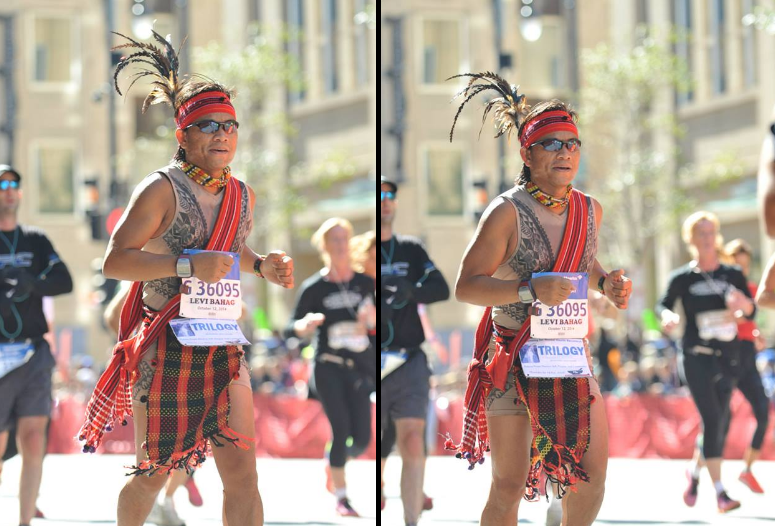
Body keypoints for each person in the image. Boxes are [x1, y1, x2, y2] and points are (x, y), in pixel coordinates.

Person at [77, 32, 294, 526]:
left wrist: (263, 265)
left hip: (223, 344)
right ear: (183, 135)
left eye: (230, 125)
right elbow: (115, 261)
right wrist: (185, 266)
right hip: (164, 343)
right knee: (153, 473)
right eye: (208, 126)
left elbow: (230, 249)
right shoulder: (160, 188)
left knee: (243, 476)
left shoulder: (242, 194)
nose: (222, 134)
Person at [446, 72, 632, 526]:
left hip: (569, 357)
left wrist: (607, 283)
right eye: (551, 144)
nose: (565, 152)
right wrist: (529, 290)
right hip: (514, 357)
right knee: (508, 486)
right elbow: (466, 286)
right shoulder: (505, 212)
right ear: (527, 154)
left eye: (572, 143)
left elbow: (583, 261)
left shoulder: (589, 209)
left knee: (590, 478)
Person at [657, 211, 754, 513]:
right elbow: (662, 305)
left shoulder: (732, 274)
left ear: (717, 236)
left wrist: (743, 306)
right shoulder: (682, 278)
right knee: (712, 419)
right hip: (696, 357)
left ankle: (695, 471)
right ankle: (721, 493)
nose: (707, 238)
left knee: (721, 421)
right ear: (691, 239)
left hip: (727, 357)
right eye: (701, 233)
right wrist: (667, 317)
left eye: (711, 232)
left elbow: (750, 310)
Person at [287, 218, 376, 517]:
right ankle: (342, 497)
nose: (340, 245)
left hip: (359, 367)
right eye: (334, 240)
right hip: (327, 366)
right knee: (340, 429)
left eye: (344, 239)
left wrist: (372, 320)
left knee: (361, 439)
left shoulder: (366, 283)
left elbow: (382, 325)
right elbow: (290, 326)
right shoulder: (314, 287)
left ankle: (333, 463)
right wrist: (304, 325)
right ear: (324, 246)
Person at [0, 164, 73, 526]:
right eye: (1, 185)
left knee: (32, 440)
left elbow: (65, 280)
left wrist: (32, 282)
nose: (9, 190)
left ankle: (24, 522)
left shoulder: (35, 240)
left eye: (14, 184)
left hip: (32, 353)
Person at [103, 282, 204, 526]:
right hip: (157, 366)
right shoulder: (149, 269)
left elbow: (240, 309)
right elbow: (114, 316)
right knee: (153, 467)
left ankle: (165, 502)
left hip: (199, 364)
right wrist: (142, 341)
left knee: (185, 452)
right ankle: (162, 502)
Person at [381, 176, 450, 526]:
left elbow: (442, 288)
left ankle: (411, 520)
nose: (385, 200)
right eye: (378, 194)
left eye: (390, 194)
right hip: (368, 361)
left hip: (408, 359)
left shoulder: (411, 249)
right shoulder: (361, 249)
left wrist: (411, 290)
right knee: (373, 441)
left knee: (411, 441)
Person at [721, 239, 769, 494]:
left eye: (746, 265)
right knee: (719, 418)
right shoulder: (720, 290)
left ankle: (747, 470)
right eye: (737, 265)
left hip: (748, 355)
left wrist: (756, 332)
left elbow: (750, 319)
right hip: (727, 355)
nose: (742, 270)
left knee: (763, 411)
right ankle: (696, 469)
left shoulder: (751, 289)